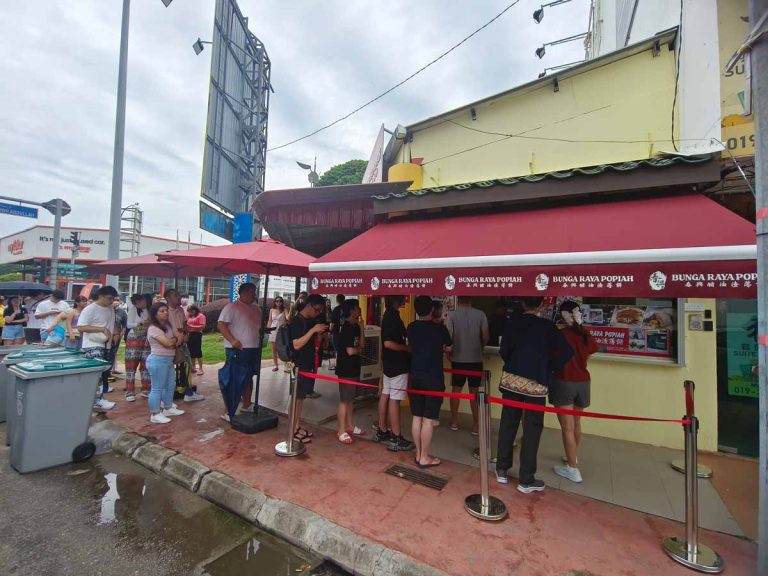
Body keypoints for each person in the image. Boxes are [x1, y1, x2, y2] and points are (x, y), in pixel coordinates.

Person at [495, 297, 573, 493]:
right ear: (541, 305)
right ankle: (526, 479)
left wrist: (514, 364)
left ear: (522, 304)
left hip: (512, 381)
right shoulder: (547, 327)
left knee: (507, 423)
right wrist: (549, 368)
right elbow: (566, 352)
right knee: (532, 429)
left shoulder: (512, 323)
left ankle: (502, 470)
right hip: (536, 384)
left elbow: (503, 351)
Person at [551, 300, 599, 484]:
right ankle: (572, 457)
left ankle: (572, 468)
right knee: (577, 424)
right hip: (583, 382)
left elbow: (552, 356)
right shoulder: (584, 334)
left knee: (567, 427)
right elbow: (589, 353)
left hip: (564, 382)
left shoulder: (560, 335)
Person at [408, 295, 452, 468]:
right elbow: (449, 346)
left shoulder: (411, 327)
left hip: (416, 377)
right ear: (432, 309)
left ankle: (419, 454)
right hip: (433, 378)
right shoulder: (439, 329)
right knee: (428, 419)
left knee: (416, 416)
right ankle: (425, 457)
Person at [375, 295, 415, 452]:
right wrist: (407, 348)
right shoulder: (393, 318)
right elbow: (389, 343)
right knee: (394, 399)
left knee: (386, 395)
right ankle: (396, 437)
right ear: (397, 301)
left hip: (389, 364)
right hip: (397, 365)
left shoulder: (387, 316)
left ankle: (382, 429)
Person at [217, 282, 263, 421]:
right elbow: (221, 325)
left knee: (248, 377)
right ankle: (228, 410)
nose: (253, 294)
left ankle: (246, 404)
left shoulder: (257, 309)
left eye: (254, 291)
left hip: (253, 348)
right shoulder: (231, 307)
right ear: (242, 293)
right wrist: (232, 340)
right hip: (237, 348)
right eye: (251, 292)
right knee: (234, 379)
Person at [288, 294, 328, 443]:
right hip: (299, 365)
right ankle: (291, 430)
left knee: (301, 399)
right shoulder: (297, 321)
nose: (318, 313)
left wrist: (319, 333)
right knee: (296, 399)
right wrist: (313, 331)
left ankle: (296, 426)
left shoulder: (310, 321)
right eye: (317, 310)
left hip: (308, 364)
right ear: (309, 305)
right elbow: (296, 344)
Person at [446, 296, 489, 434]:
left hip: (458, 359)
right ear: (471, 300)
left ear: (458, 300)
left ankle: (454, 422)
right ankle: (476, 425)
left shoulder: (452, 315)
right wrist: (479, 347)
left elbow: (449, 337)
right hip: (475, 359)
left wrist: (449, 352)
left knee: (456, 392)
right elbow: (486, 337)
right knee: (474, 393)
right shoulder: (480, 314)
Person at [78, 285, 120, 411]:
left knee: (104, 373)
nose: (111, 301)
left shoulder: (110, 309)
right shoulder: (90, 309)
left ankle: (98, 398)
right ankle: (96, 400)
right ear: (101, 296)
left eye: (113, 298)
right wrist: (101, 329)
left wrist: (116, 334)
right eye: (109, 298)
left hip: (106, 344)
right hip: (92, 345)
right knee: (97, 374)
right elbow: (81, 327)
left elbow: (113, 324)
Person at [146, 302, 186, 424]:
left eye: (166, 310)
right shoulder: (153, 328)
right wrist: (175, 339)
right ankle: (155, 413)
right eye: (162, 311)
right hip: (158, 360)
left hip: (168, 360)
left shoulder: (168, 324)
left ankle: (168, 407)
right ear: (154, 314)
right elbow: (168, 343)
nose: (165, 313)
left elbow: (179, 338)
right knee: (157, 388)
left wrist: (175, 339)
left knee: (170, 385)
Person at [334, 299, 366, 444]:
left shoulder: (354, 327)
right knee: (344, 400)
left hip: (354, 368)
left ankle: (349, 425)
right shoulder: (346, 328)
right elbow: (351, 350)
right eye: (357, 307)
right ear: (352, 310)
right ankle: (341, 430)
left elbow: (361, 345)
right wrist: (359, 350)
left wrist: (362, 328)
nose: (360, 309)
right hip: (346, 369)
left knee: (351, 399)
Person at [166, 288, 204, 402]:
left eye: (179, 295)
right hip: (169, 344)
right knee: (168, 369)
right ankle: (168, 395)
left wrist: (186, 333)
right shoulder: (164, 311)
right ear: (168, 298)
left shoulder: (181, 310)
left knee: (187, 366)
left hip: (182, 343)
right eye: (175, 295)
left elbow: (184, 325)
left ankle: (188, 392)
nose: (179, 297)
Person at [125, 294, 152, 402]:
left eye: (139, 301)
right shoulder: (133, 309)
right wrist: (140, 322)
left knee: (146, 365)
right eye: (135, 303)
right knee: (131, 365)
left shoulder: (151, 309)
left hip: (147, 338)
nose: (138, 304)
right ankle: (130, 391)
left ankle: (146, 389)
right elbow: (128, 324)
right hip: (134, 338)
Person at [267, 297, 286, 372]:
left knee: (283, 348)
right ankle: (275, 365)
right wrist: (268, 329)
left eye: (280, 301)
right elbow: (269, 320)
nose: (278, 303)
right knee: (274, 349)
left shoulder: (284, 310)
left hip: (282, 331)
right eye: (277, 301)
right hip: (273, 330)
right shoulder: (272, 310)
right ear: (274, 302)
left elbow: (287, 318)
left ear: (282, 302)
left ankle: (286, 366)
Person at [186, 304, 206, 376]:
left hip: (197, 334)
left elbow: (202, 326)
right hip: (189, 335)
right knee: (191, 351)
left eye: (191, 311)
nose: (190, 313)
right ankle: (193, 367)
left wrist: (191, 326)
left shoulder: (201, 316)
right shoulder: (190, 316)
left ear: (194, 310)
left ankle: (200, 368)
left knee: (197, 350)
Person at [110, 298, 128, 376]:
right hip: (106, 336)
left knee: (113, 353)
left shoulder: (122, 312)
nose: (115, 302)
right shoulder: (107, 310)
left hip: (116, 336)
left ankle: (111, 372)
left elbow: (125, 325)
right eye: (114, 300)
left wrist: (120, 335)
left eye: (117, 300)